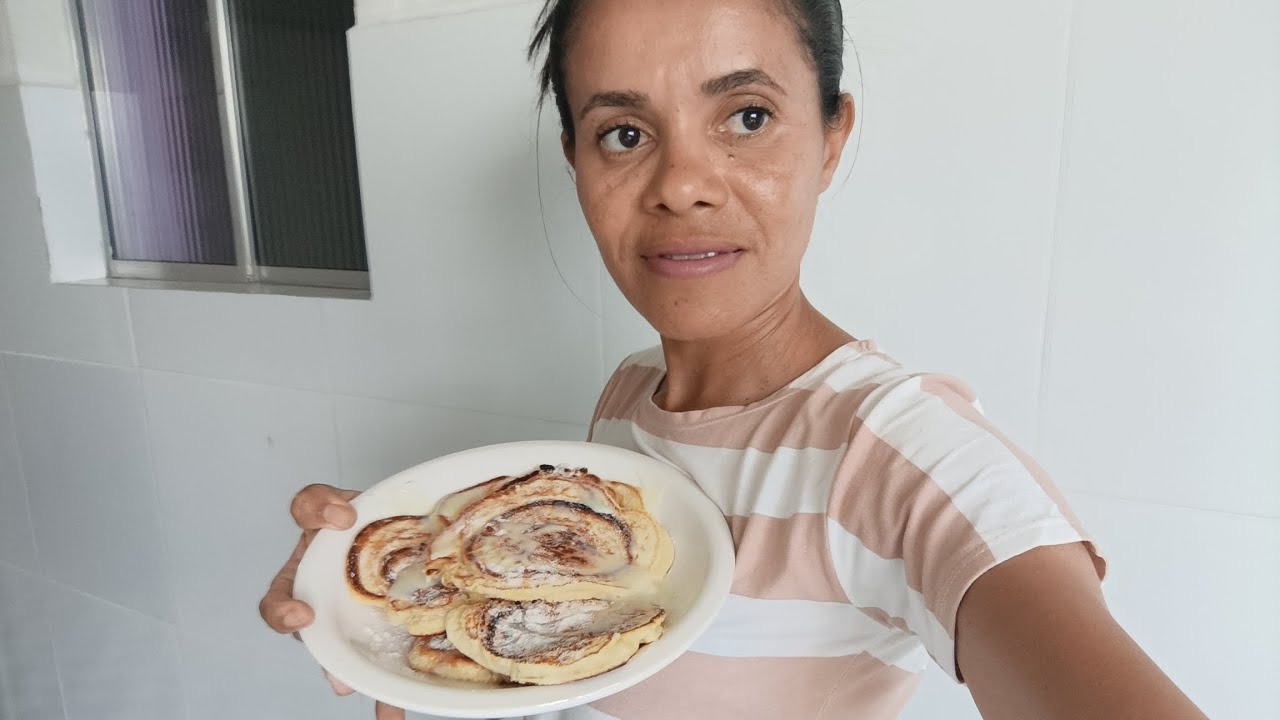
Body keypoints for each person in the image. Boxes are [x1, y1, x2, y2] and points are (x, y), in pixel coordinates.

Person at [260, 0, 1210, 717]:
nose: (680, 185)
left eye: (747, 117)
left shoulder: (900, 455)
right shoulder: (631, 397)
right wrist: (397, 620)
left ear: (832, 137)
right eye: (623, 134)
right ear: (576, 160)